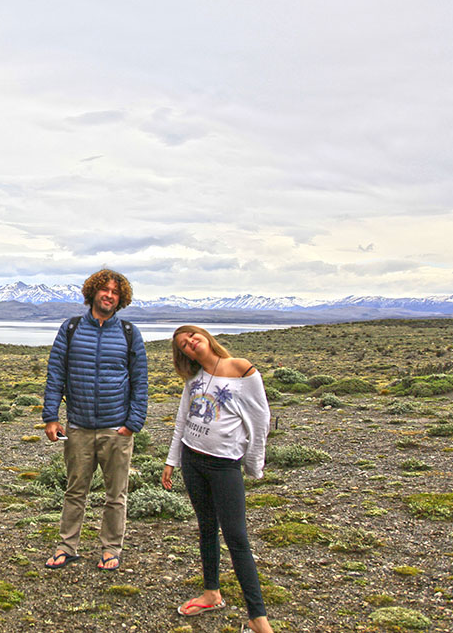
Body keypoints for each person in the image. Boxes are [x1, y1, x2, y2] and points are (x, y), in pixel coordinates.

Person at [161, 326, 274, 633]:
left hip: (225, 465)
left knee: (237, 537)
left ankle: (258, 619)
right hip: (192, 459)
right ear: (184, 354)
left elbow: (260, 419)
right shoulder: (194, 378)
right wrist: (172, 460)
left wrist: (253, 464)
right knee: (207, 528)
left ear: (206, 336)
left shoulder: (240, 368)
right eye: (183, 345)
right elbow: (182, 420)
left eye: (192, 336)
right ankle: (212, 592)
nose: (190, 343)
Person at [42, 269, 148, 571]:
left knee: (116, 494)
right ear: (93, 293)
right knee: (75, 490)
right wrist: (51, 416)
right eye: (104, 290)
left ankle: (111, 549)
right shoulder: (72, 328)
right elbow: (56, 375)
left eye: (115, 292)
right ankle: (67, 546)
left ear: (121, 298)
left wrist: (133, 422)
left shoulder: (129, 332)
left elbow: (140, 381)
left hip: (117, 428)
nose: (109, 296)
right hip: (78, 426)